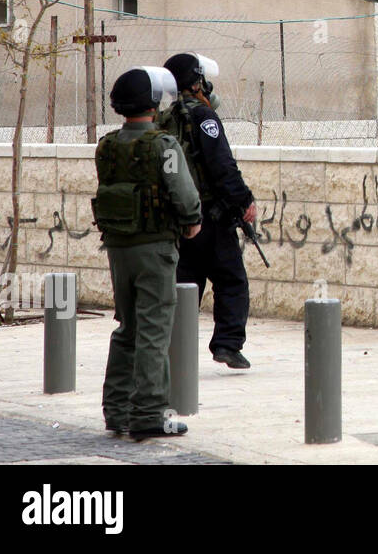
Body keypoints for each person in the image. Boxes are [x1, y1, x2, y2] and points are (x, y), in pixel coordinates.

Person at [94, 66, 202, 440]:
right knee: (155, 331)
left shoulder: (107, 145)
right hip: (154, 248)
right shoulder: (164, 145)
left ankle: (117, 410)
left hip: (118, 247)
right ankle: (149, 413)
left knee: (127, 329)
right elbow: (184, 194)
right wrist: (191, 220)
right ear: (154, 102)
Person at [160, 52, 258, 370]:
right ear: (195, 81)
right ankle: (228, 345)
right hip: (210, 217)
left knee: (185, 285)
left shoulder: (163, 116)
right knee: (231, 280)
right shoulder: (203, 117)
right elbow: (221, 166)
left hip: (174, 217)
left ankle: (177, 348)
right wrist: (243, 201)